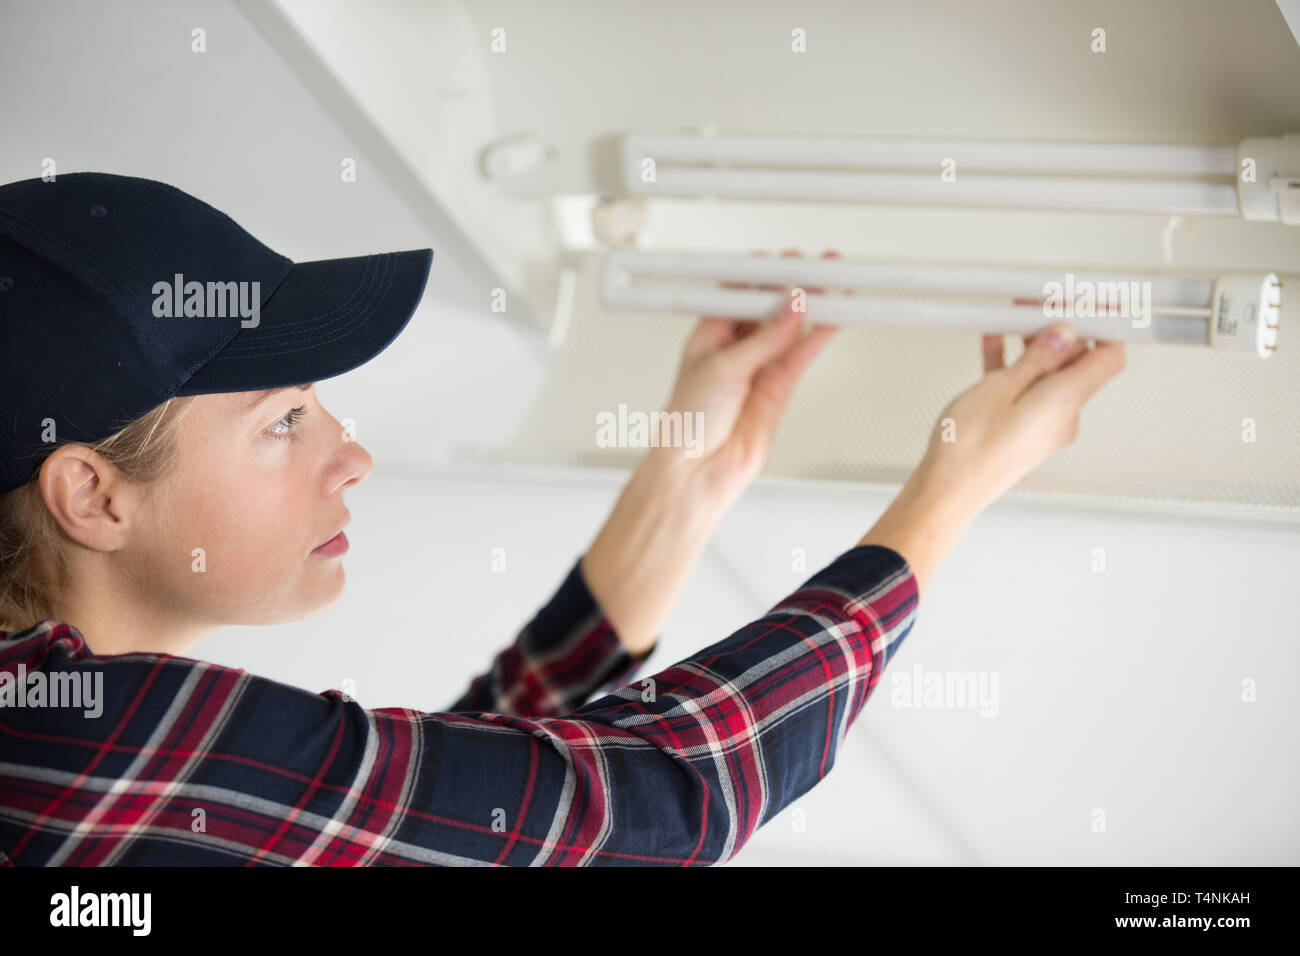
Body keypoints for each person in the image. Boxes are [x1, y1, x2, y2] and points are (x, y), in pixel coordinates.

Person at [0, 172, 1124, 866]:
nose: (352, 454)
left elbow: (433, 811)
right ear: (94, 495)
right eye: (283, 420)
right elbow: (652, 805)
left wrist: (686, 481)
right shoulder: (63, 746)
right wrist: (951, 486)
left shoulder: (63, 733)